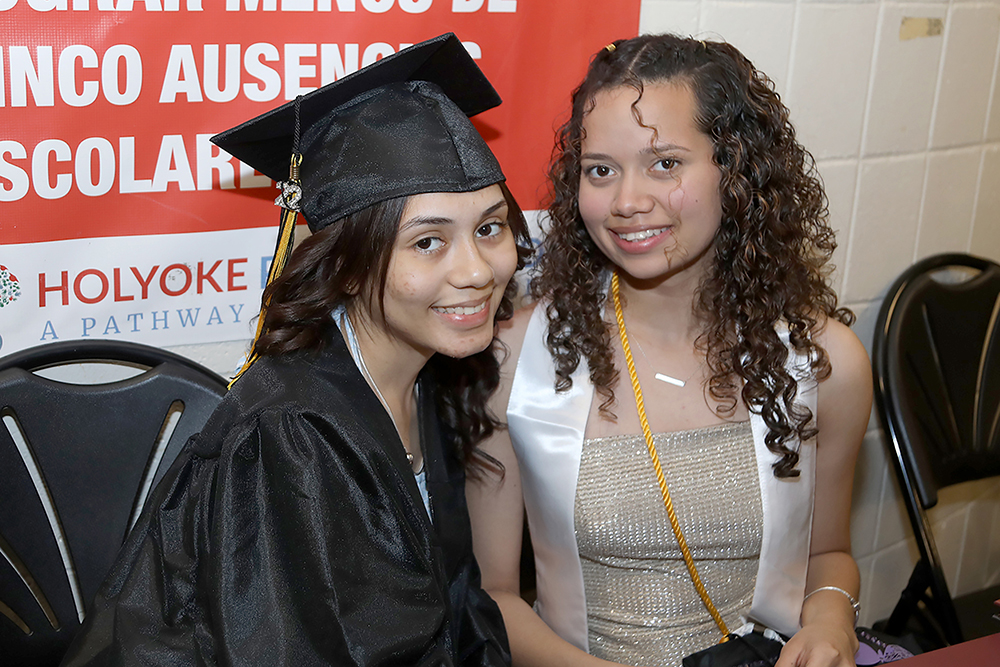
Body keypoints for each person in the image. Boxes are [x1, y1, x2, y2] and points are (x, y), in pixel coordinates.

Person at [61, 33, 531, 667]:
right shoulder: (292, 436)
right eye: (428, 242)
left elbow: (456, 602)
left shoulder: (423, 375)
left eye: (489, 227)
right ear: (349, 265)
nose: (476, 269)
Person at [467, 34, 872, 667]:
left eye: (664, 163)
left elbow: (828, 556)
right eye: (600, 170)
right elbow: (492, 597)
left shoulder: (825, 363)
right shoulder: (518, 360)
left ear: (734, 169)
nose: (627, 201)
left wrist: (830, 624)